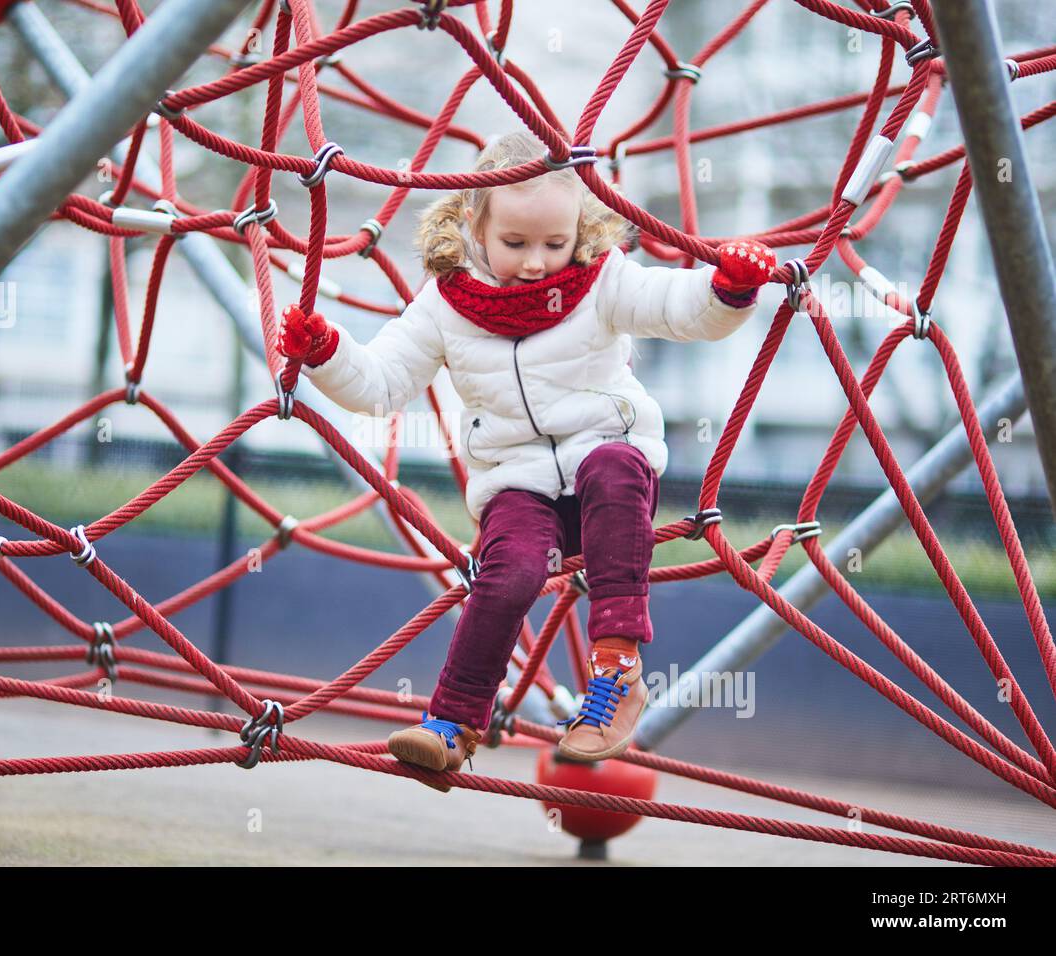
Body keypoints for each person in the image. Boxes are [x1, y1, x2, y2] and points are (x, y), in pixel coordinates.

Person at [278, 130, 775, 790]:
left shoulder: (600, 279)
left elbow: (677, 308)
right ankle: (451, 725)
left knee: (614, 467)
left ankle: (617, 670)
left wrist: (728, 290)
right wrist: (326, 352)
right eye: (516, 244)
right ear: (473, 227)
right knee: (505, 573)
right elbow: (381, 384)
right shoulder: (446, 304)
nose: (537, 263)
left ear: (581, 229)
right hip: (519, 483)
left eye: (553, 243)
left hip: (607, 461)